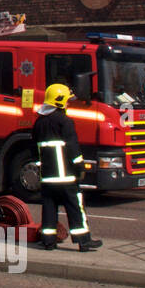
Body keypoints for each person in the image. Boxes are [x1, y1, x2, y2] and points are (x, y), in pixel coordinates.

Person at [31, 83, 102, 251]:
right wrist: (80, 167)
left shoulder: (39, 123)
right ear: (60, 101)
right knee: (75, 207)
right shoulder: (65, 121)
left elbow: (34, 149)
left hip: (48, 177)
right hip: (66, 176)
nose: (69, 103)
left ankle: (48, 241)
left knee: (49, 208)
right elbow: (73, 147)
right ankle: (83, 241)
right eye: (67, 101)